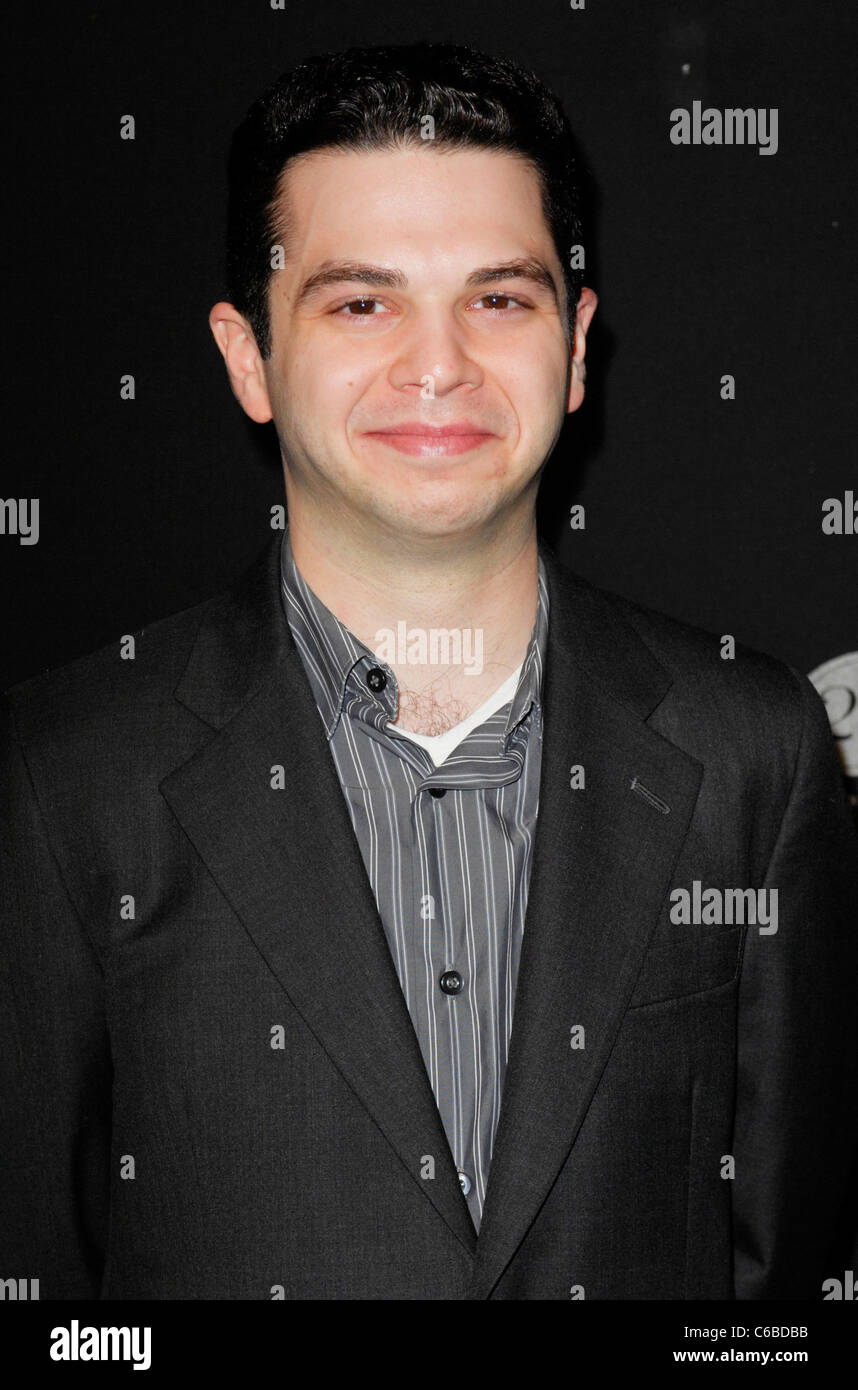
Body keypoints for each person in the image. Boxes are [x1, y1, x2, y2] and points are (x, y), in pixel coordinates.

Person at [2, 42, 856, 1301]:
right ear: (248, 358)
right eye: (362, 302)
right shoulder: (61, 772)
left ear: (575, 347)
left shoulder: (753, 749)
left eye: (499, 298)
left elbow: (786, 1283)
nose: (439, 362)